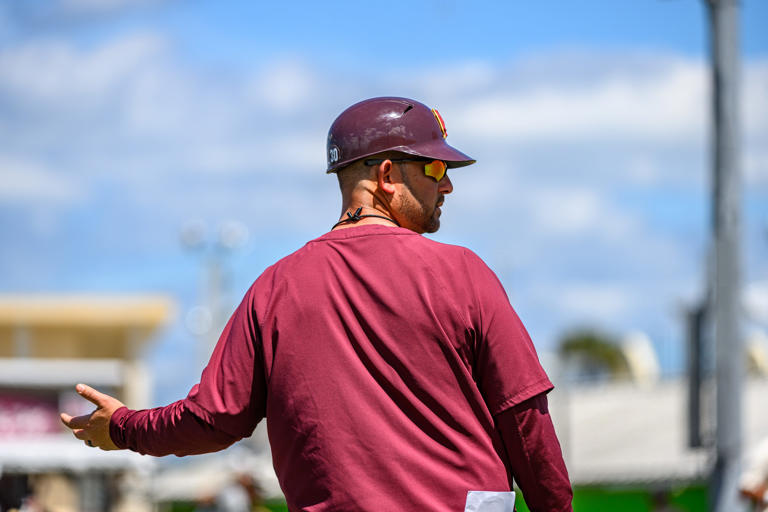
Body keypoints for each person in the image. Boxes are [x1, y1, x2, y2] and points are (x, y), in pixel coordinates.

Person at [60, 97, 573, 511]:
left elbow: (213, 420)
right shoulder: (462, 272)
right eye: (435, 167)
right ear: (387, 175)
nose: (448, 185)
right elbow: (524, 418)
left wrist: (124, 427)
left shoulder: (275, 288)